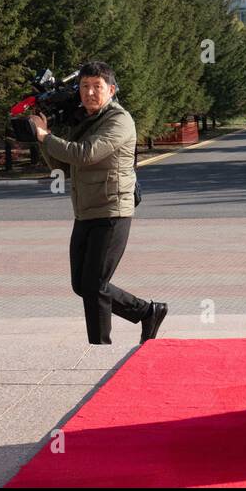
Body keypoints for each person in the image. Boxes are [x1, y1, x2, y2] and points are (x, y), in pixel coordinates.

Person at [30, 61, 167, 345]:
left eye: (97, 87)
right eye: (84, 87)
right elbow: (64, 164)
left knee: (94, 285)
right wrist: (42, 140)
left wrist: (46, 136)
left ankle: (99, 346)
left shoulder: (119, 120)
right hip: (85, 211)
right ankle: (146, 311)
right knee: (81, 284)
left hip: (112, 210)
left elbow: (85, 154)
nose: (90, 93)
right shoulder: (86, 121)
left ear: (111, 90)